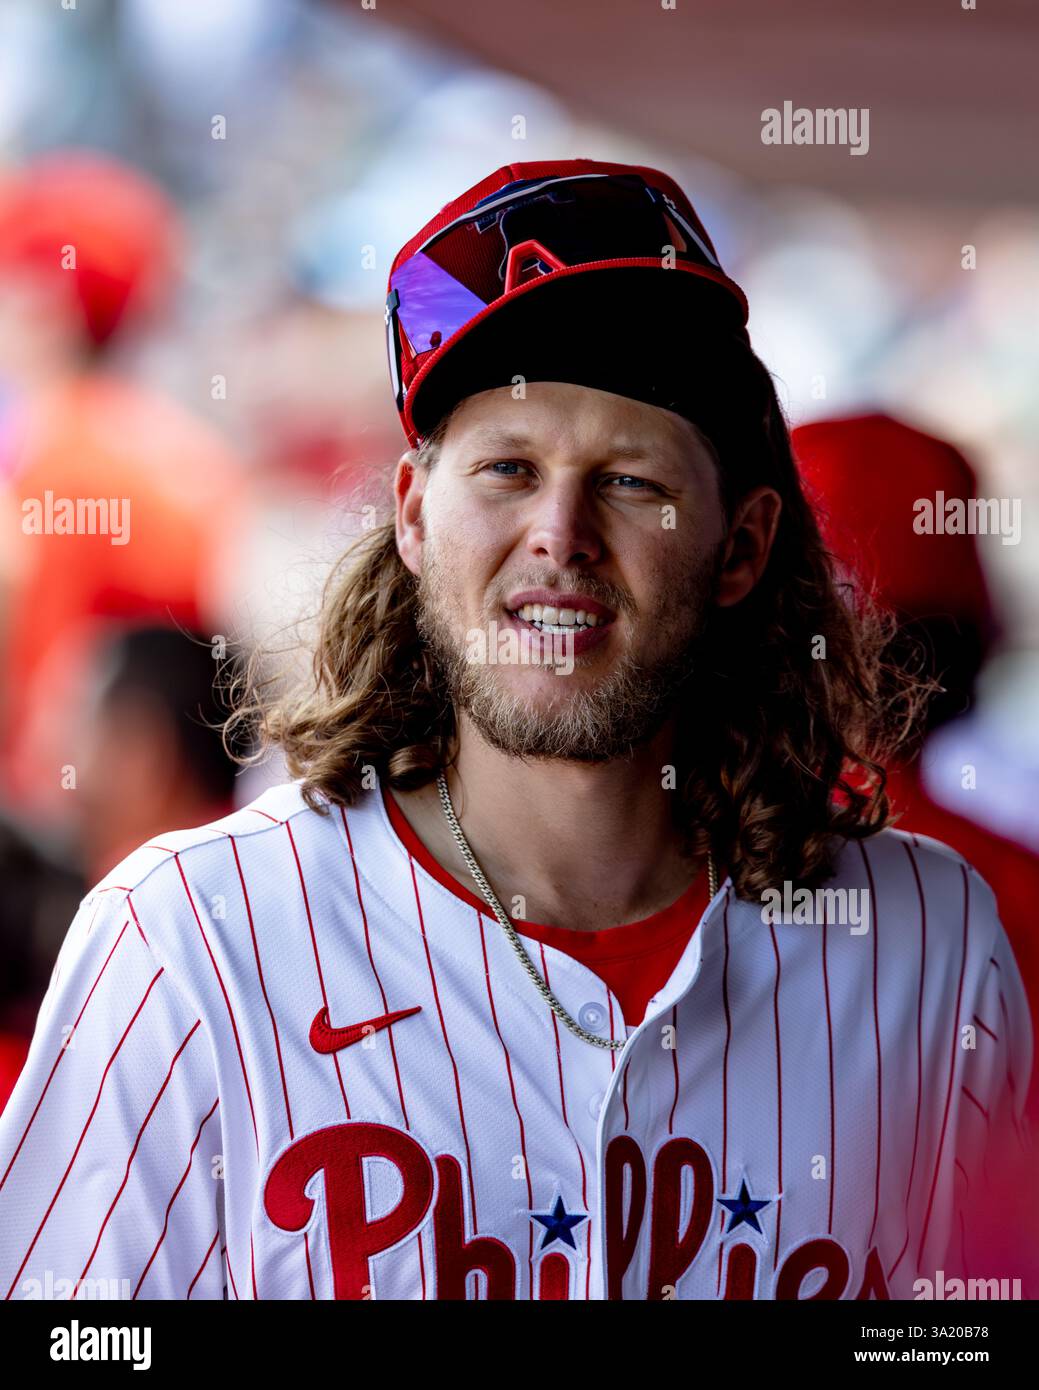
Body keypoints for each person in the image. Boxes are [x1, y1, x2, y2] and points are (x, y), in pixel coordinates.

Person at [0, 160, 1031, 1301]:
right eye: (506, 468)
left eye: (632, 482)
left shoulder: (929, 946)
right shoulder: (188, 942)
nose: (560, 534)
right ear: (411, 517)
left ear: (739, 549)